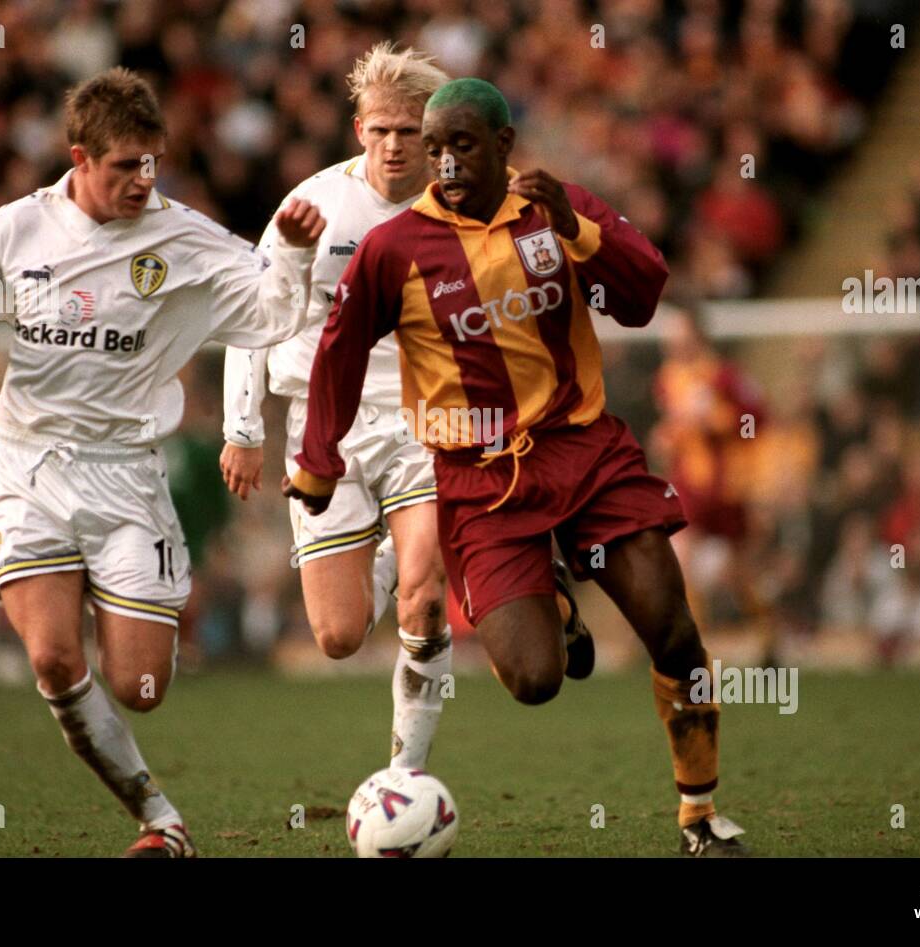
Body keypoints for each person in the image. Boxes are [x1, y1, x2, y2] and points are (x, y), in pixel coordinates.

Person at [0, 68, 324, 858]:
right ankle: (161, 819)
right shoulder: (19, 229)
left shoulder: (182, 235)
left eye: (153, 162)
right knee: (50, 655)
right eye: (124, 166)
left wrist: (288, 252)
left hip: (127, 475)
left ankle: (120, 594)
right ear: (79, 157)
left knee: (140, 688)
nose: (143, 181)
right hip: (29, 467)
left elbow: (271, 313)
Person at [285, 78, 747, 856]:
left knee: (673, 631)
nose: (444, 163)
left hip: (586, 453)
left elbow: (643, 295)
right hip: (480, 482)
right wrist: (317, 459)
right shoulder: (393, 248)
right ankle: (555, 605)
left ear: (503, 145)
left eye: (461, 145)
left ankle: (699, 815)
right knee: (533, 679)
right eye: (434, 149)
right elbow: (338, 350)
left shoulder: (554, 209)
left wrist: (577, 227)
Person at [220, 43, 455, 769]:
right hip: (328, 431)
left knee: (423, 600)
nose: (393, 144)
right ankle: (387, 557)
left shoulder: (465, 207)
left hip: (426, 422)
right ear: (359, 130)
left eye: (409, 131)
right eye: (380, 129)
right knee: (338, 636)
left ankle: (406, 775)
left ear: (433, 135)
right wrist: (242, 428)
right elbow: (250, 316)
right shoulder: (315, 204)